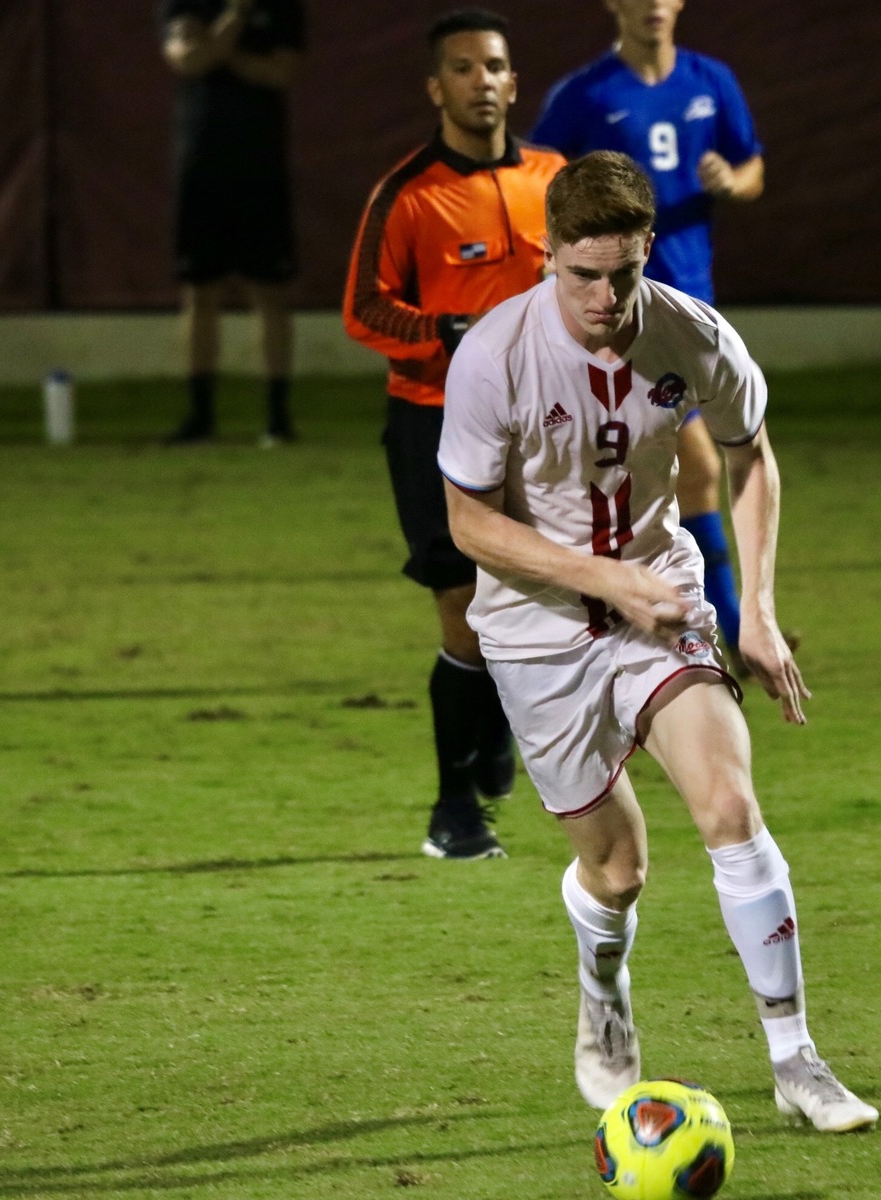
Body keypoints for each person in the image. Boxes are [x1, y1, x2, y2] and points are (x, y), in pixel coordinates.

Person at [437, 151, 877, 1132]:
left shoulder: (693, 335)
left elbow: (751, 456)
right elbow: (467, 525)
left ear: (647, 251)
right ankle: (603, 988)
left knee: (728, 803)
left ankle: (796, 1059)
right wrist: (601, 578)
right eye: (580, 274)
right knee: (619, 867)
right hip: (534, 634)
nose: (602, 297)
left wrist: (755, 610)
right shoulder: (493, 357)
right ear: (546, 254)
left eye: (622, 274)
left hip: (661, 609)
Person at [343, 10, 567, 860]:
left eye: (497, 66)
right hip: (435, 423)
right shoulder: (407, 193)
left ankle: (500, 725)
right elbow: (363, 309)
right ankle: (453, 810)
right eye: (465, 69)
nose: (483, 81)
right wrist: (446, 333)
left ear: (515, 82)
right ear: (437, 88)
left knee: (537, 602)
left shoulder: (556, 177)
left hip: (541, 424)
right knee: (463, 614)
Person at [529, 0, 762, 659]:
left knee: (671, 471)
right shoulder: (584, 97)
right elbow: (538, 188)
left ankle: (689, 626)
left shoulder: (710, 82)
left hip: (689, 307)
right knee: (687, 466)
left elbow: (753, 168)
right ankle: (718, 632)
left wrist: (733, 182)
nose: (653, 5)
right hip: (612, 313)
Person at [159, 0, 304, 445]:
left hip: (260, 166)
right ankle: (200, 415)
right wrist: (236, 19)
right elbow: (189, 60)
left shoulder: (282, 5)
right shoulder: (184, 3)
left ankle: (277, 418)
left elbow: (281, 73)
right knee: (200, 291)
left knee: (270, 293)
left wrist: (220, 53)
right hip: (201, 165)